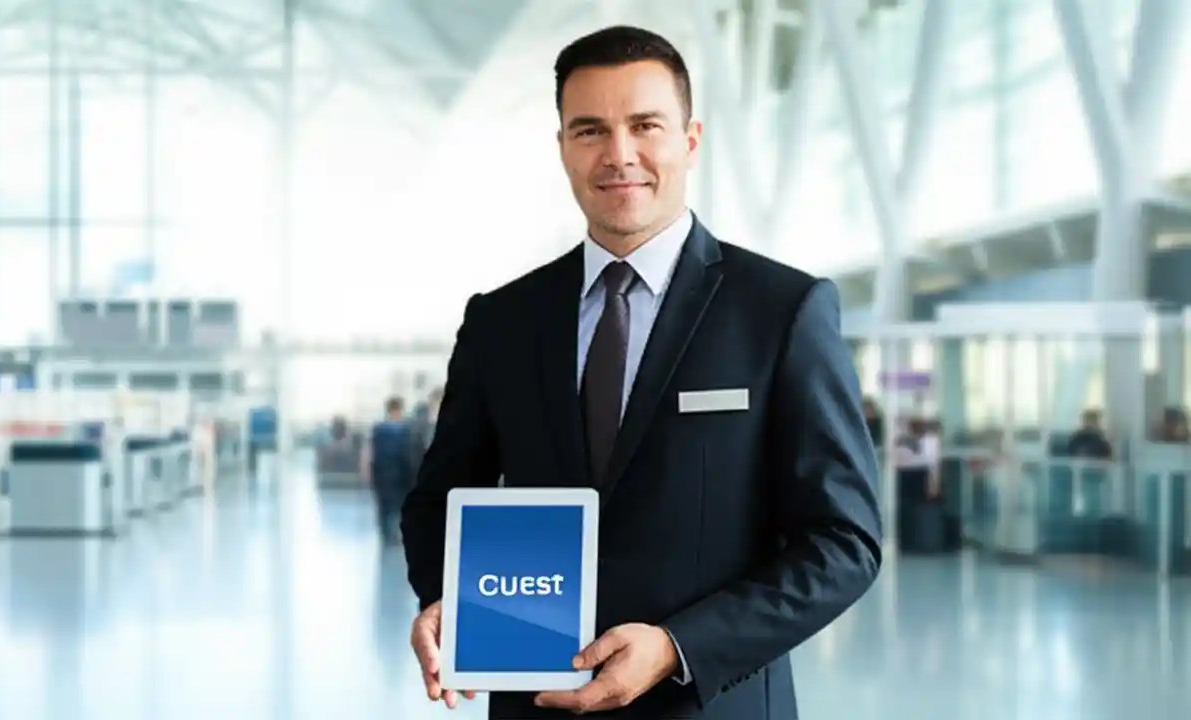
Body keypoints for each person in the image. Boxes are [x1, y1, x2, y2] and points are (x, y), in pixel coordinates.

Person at [401, 25, 881, 720]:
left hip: (711, 704)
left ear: (690, 139)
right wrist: (446, 597)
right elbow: (437, 500)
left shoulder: (781, 312)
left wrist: (678, 646)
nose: (618, 155)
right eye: (590, 130)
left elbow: (845, 542)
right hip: (536, 700)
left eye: (645, 125)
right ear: (563, 147)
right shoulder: (502, 320)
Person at [369, 397, 413, 545]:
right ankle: (390, 533)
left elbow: (372, 452)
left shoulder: (379, 429)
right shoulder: (405, 430)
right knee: (393, 505)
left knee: (386, 505)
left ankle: (387, 533)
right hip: (396, 473)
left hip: (385, 473)